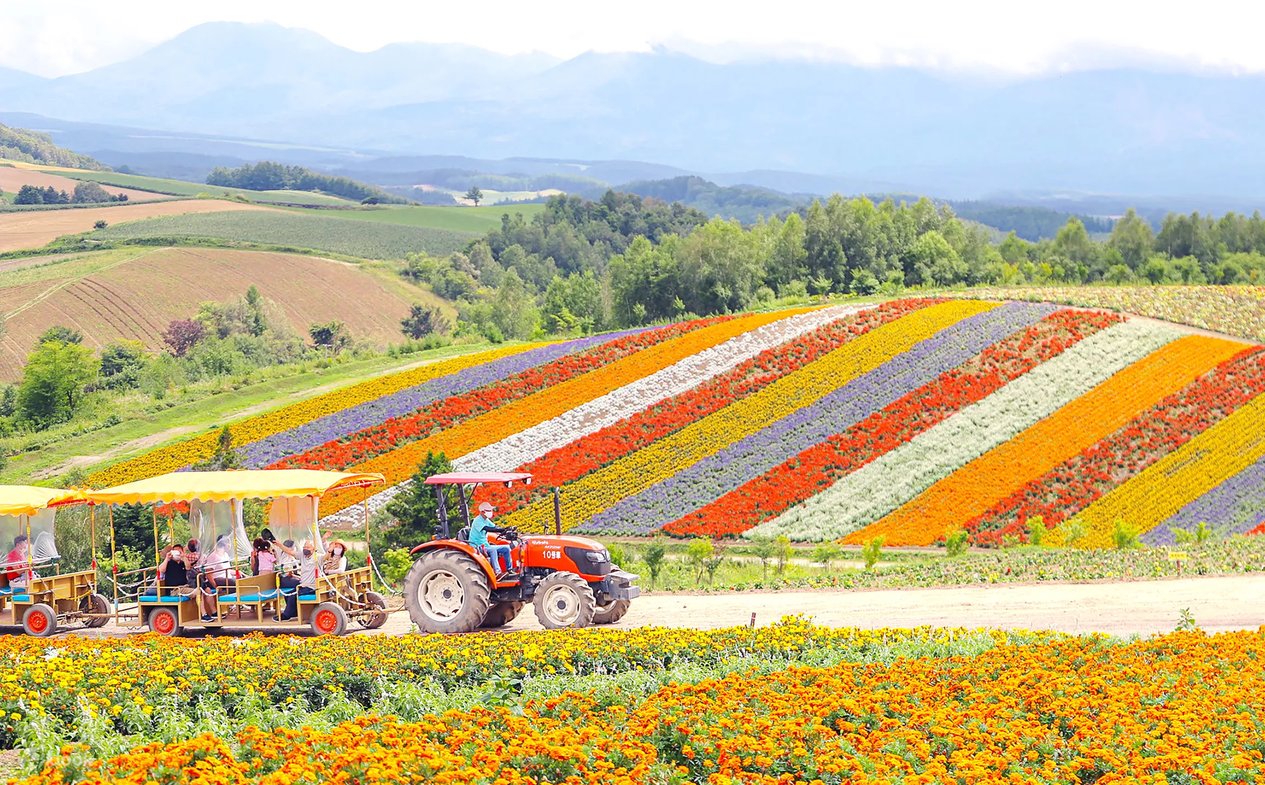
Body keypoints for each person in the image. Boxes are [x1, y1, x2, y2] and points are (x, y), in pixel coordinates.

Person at [273, 539, 323, 621]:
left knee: (293, 595)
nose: (305, 548)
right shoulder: (302, 556)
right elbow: (290, 552)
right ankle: (294, 612)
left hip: (312, 587)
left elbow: (326, 557)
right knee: (288, 593)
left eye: (307, 547)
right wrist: (279, 545)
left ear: (313, 548)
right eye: (304, 547)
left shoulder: (317, 557)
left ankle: (286, 615)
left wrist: (330, 551)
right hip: (303, 585)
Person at [198, 535, 236, 622]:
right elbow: (209, 573)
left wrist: (240, 573)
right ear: (224, 544)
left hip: (226, 577)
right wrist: (215, 586)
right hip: (217, 579)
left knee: (241, 579)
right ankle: (232, 603)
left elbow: (228, 570)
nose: (230, 545)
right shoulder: (214, 556)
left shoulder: (225, 555)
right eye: (228, 542)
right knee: (234, 582)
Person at [469, 502, 513, 576]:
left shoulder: (486, 520)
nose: (490, 512)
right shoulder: (477, 521)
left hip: (486, 545)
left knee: (506, 548)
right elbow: (488, 528)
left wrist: (505, 529)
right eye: (488, 511)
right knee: (493, 550)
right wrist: (501, 530)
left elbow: (494, 527)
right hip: (477, 546)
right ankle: (497, 572)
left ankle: (509, 570)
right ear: (483, 512)